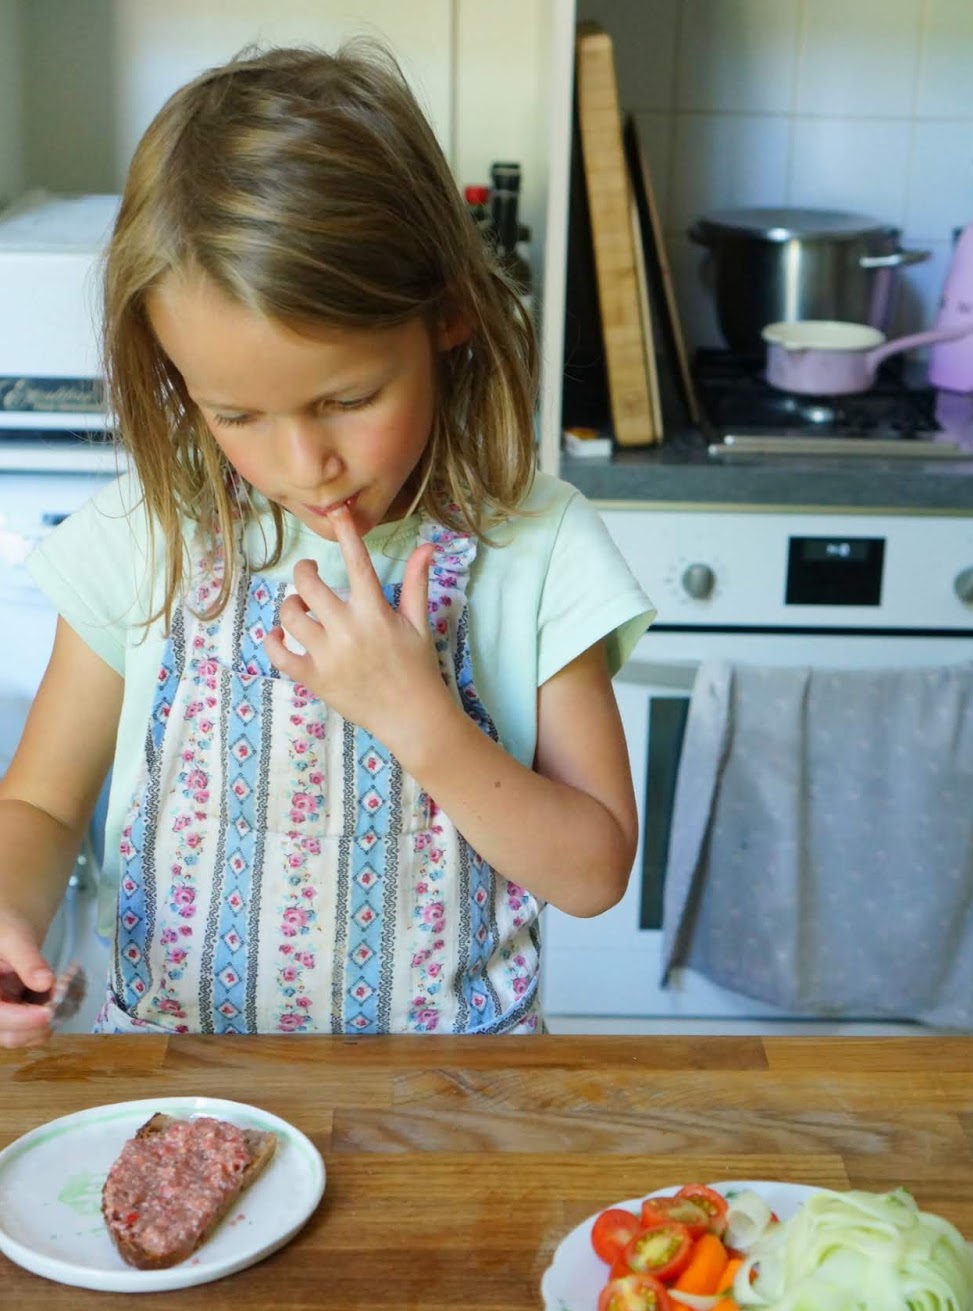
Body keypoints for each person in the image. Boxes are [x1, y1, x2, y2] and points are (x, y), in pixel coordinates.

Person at [0, 41, 653, 1044]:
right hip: (181, 1088)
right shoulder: (148, 537)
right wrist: (8, 914)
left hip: (458, 1106)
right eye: (236, 414)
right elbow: (40, 809)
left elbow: (594, 870)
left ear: (447, 316)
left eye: (347, 399)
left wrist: (419, 719)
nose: (307, 461)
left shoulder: (538, 549)